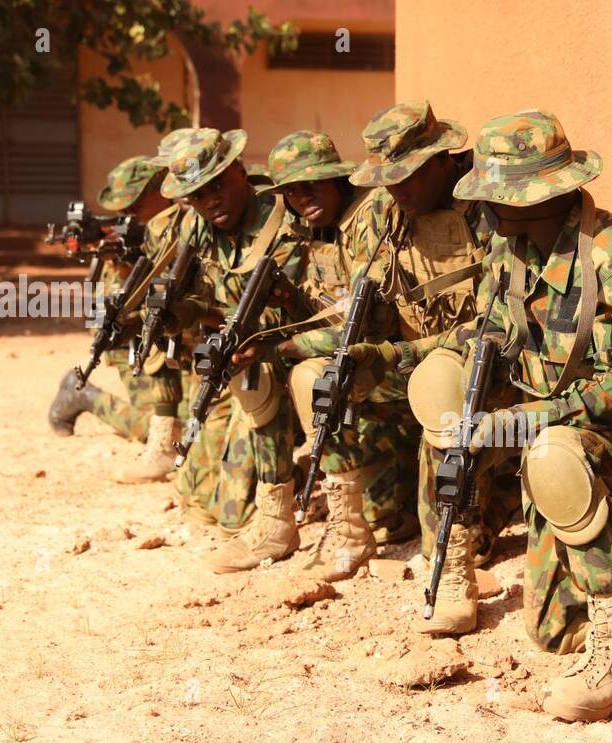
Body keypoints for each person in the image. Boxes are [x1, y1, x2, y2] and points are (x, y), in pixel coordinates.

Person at [348, 110, 612, 727]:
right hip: (539, 431)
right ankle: (454, 561)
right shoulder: (511, 250)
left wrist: (524, 421)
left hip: (610, 450)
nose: (483, 210)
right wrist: (390, 359)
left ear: (540, 197)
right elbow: (483, 334)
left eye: (495, 197)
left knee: (549, 448)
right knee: (550, 630)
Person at [277, 102, 520, 605]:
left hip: (490, 374)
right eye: (387, 178)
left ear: (442, 160)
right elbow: (375, 301)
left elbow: (498, 324)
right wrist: (346, 350)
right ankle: (348, 529)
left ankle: (454, 548)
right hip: (412, 361)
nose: (396, 188)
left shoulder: (486, 207)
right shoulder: (391, 213)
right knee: (320, 378)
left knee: (437, 379)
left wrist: (399, 353)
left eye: (407, 175)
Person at [264, 129, 419, 583]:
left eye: (311, 185)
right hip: (370, 371)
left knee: (313, 378)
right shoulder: (318, 230)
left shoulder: (367, 217)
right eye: (292, 191)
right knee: (389, 511)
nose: (301, 197)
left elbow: (368, 324)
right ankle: (348, 516)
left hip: (399, 360)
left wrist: (292, 347)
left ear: (336, 179)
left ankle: (349, 534)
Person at [158, 128, 308, 572]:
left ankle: (278, 518)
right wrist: (179, 314)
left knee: (232, 518)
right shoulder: (201, 227)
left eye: (219, 186)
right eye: (198, 196)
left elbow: (314, 305)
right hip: (238, 361)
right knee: (202, 502)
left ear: (241, 170)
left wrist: (262, 341)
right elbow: (208, 299)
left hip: (294, 355)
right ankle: (287, 479)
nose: (211, 202)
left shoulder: (284, 218)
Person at [47, 154, 186, 485]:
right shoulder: (126, 238)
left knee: (193, 427)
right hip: (134, 343)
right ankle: (83, 395)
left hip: (175, 345)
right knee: (157, 428)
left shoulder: (179, 224)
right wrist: (122, 264)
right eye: (124, 206)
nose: (128, 213)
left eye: (136, 203)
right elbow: (115, 316)